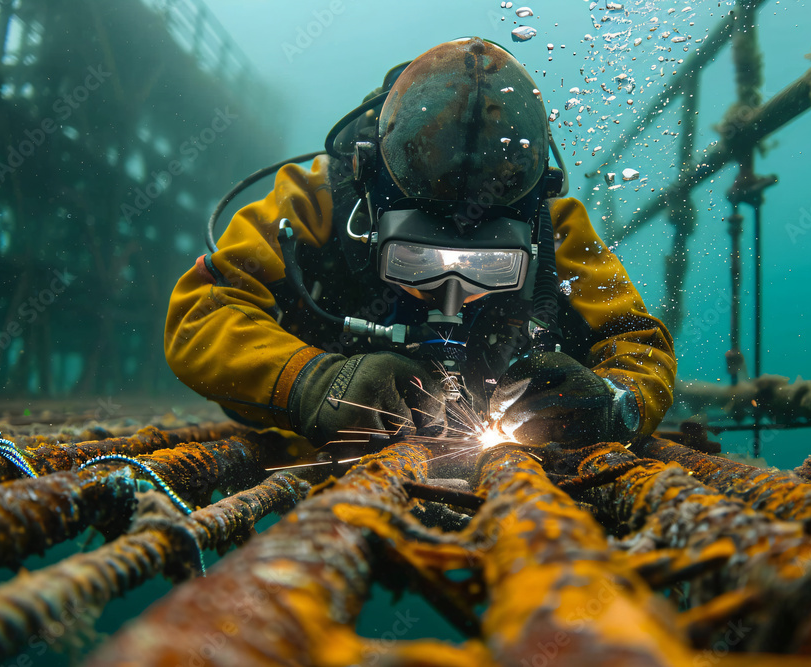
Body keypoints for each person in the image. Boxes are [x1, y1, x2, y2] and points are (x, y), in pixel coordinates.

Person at [163, 37, 676, 453]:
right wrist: (310, 381)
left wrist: (615, 402)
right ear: (372, 202)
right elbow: (203, 312)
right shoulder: (317, 196)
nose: (450, 294)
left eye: (490, 267)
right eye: (415, 260)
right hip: (323, 428)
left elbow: (636, 342)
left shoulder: (554, 223)